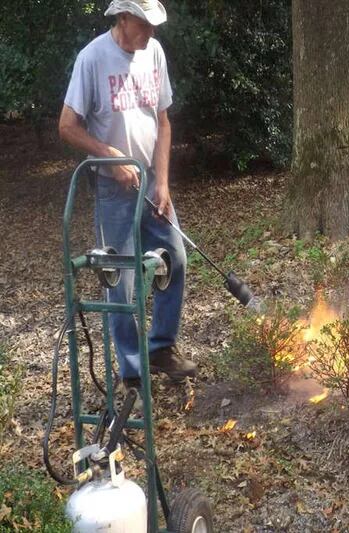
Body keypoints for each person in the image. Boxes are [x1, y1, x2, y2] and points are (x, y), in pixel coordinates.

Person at [59, 0, 197, 389]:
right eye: (144, 24)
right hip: (111, 186)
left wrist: (163, 181)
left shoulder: (153, 51)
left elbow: (163, 121)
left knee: (175, 258)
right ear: (122, 19)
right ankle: (133, 369)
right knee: (118, 281)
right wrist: (108, 155)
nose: (152, 32)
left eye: (154, 25)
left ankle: (161, 348)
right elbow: (67, 126)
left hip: (151, 179)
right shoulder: (93, 59)